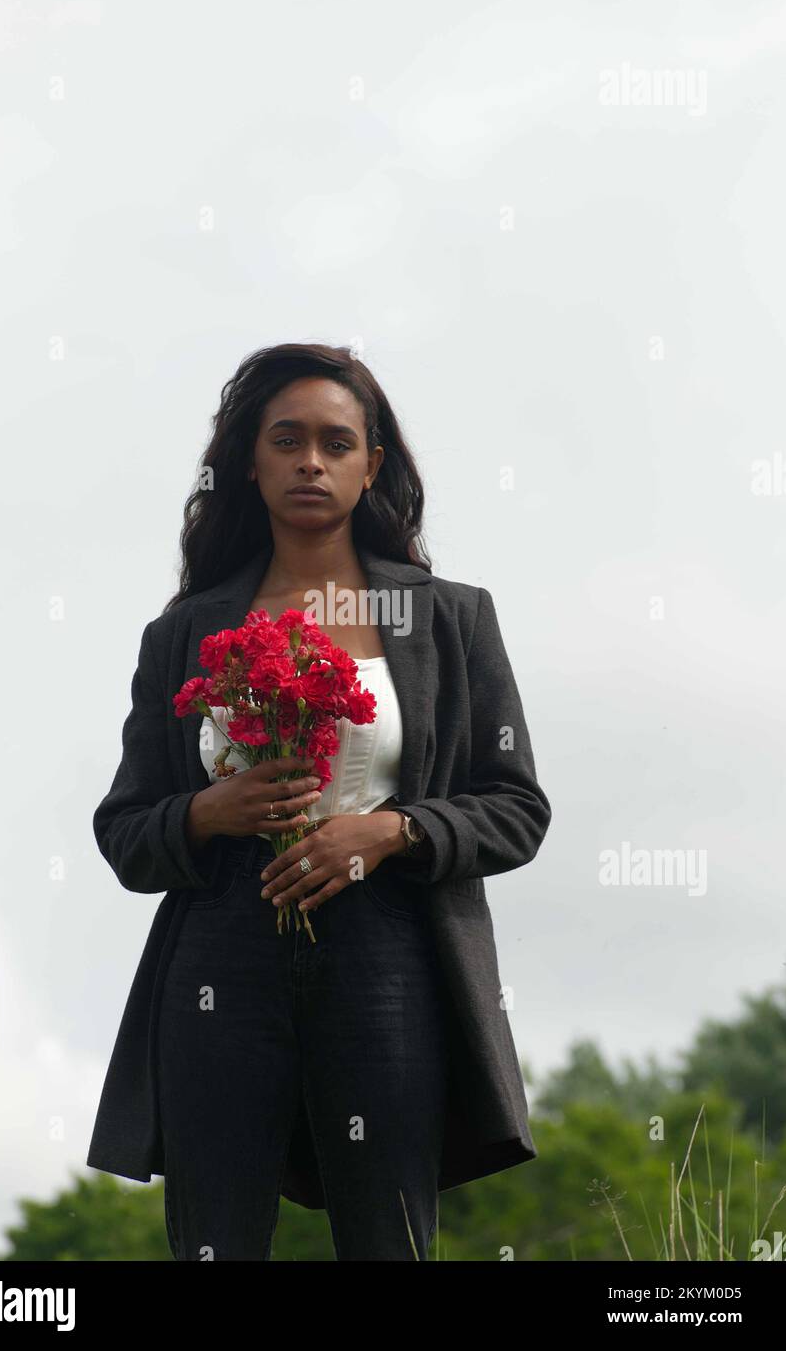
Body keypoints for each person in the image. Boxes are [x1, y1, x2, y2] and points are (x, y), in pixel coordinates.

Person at [86, 342, 552, 1261]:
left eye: (336, 443)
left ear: (370, 465)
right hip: (221, 958)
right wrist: (206, 814)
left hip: (390, 956)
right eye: (287, 440)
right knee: (215, 1242)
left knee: (390, 1241)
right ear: (249, 462)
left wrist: (392, 830)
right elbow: (125, 830)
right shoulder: (185, 630)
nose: (311, 461)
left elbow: (517, 806)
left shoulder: (450, 617)